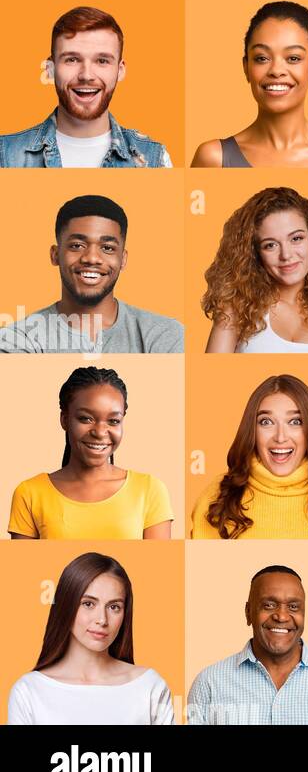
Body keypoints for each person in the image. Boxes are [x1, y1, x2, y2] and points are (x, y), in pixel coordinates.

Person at [191, 1, 308, 169]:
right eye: (262, 58)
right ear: (246, 67)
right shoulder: (213, 158)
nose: (276, 70)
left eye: (293, 58)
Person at [190, 374, 308, 539]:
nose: (280, 437)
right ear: (252, 430)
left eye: (295, 422)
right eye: (266, 422)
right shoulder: (217, 496)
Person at [0, 195, 182, 354]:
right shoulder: (17, 339)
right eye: (77, 246)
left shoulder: (164, 334)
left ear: (123, 259)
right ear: (55, 255)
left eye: (107, 248)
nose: (92, 258)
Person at [186, 565, 308, 724]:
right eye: (269, 605)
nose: (281, 616)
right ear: (248, 612)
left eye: (294, 607)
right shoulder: (209, 683)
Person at [8, 366, 172, 540]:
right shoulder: (30, 492)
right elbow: (24, 567)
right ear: (65, 420)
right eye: (86, 418)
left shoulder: (150, 490)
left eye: (113, 421)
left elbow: (158, 566)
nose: (100, 432)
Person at [6, 553, 172, 724]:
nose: (102, 619)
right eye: (88, 604)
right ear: (66, 605)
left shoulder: (150, 686)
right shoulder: (28, 691)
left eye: (114, 607)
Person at [0, 6, 171, 168]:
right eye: (72, 60)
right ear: (50, 69)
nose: (86, 75)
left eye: (102, 61)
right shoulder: (5, 154)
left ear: (120, 71)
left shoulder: (154, 157)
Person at [201, 186, 308, 355]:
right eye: (270, 245)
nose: (286, 255)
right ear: (255, 252)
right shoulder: (236, 308)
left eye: (296, 238)